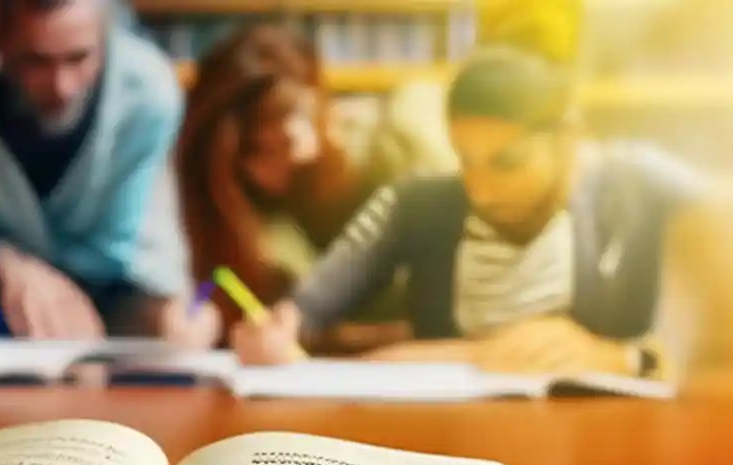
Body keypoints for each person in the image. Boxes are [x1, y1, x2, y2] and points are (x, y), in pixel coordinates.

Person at [233, 47, 720, 380]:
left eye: (508, 162)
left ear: (567, 139)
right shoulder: (415, 204)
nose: (482, 191)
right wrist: (273, 336)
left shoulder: (632, 185)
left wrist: (627, 358)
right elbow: (307, 306)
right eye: (466, 161)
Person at [0, 0, 213, 344]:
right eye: (36, 61)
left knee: (175, 330)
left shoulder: (148, 92)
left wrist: (171, 318)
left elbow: (132, 244)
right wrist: (7, 266)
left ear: (107, 37)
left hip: (112, 295)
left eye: (79, 58)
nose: (62, 86)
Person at [177, 24, 410, 353]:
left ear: (318, 112)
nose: (267, 172)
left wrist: (328, 336)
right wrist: (194, 315)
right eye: (252, 150)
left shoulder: (377, 164)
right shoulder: (214, 200)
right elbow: (207, 286)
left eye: (285, 144)